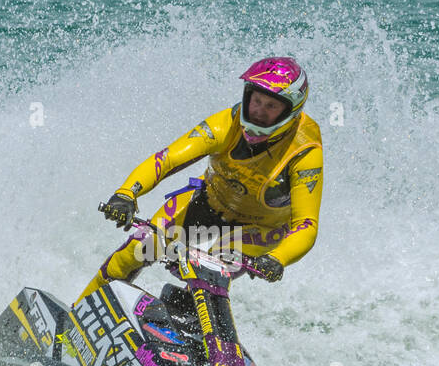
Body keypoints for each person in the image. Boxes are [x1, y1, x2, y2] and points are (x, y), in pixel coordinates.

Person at [75, 56, 323, 310]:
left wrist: (277, 258)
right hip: (206, 202)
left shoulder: (305, 150)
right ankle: (77, 315)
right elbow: (167, 159)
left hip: (259, 229)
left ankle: (191, 335)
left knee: (210, 273)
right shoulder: (224, 124)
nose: (259, 111)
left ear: (290, 110)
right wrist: (126, 194)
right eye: (256, 100)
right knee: (138, 249)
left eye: (271, 106)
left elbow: (307, 224)